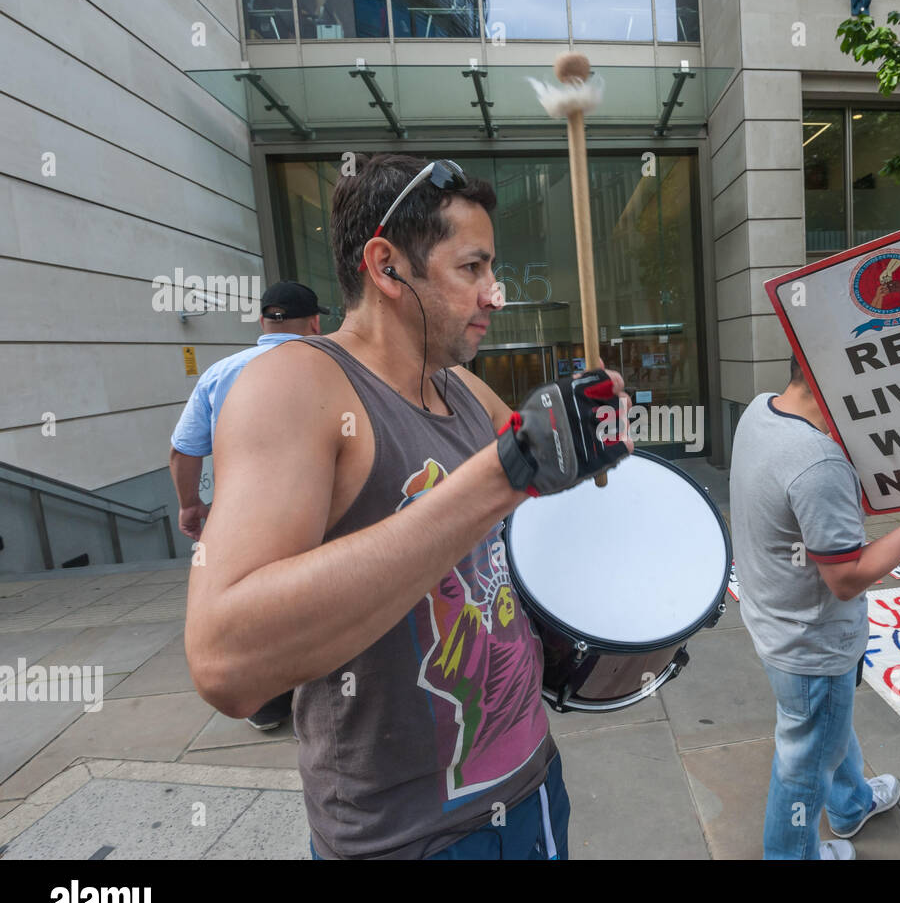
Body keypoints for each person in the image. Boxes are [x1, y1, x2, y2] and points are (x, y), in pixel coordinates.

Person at [183, 154, 629, 860]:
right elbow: (224, 662)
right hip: (409, 840)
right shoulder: (298, 385)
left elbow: (533, 502)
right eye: (471, 269)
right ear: (387, 267)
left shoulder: (460, 389)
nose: (497, 294)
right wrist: (508, 469)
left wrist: (587, 436)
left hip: (532, 788)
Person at [729, 354, 900, 860]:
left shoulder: (759, 410)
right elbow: (847, 578)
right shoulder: (817, 461)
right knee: (802, 765)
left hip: (773, 618)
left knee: (825, 727)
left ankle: (850, 804)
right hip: (812, 642)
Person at [169, 281, 325, 731]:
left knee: (254, 602)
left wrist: (190, 505)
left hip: (241, 514)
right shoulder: (337, 365)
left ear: (263, 321)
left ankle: (269, 703)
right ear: (315, 322)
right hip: (322, 507)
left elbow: (183, 450)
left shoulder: (220, 373)